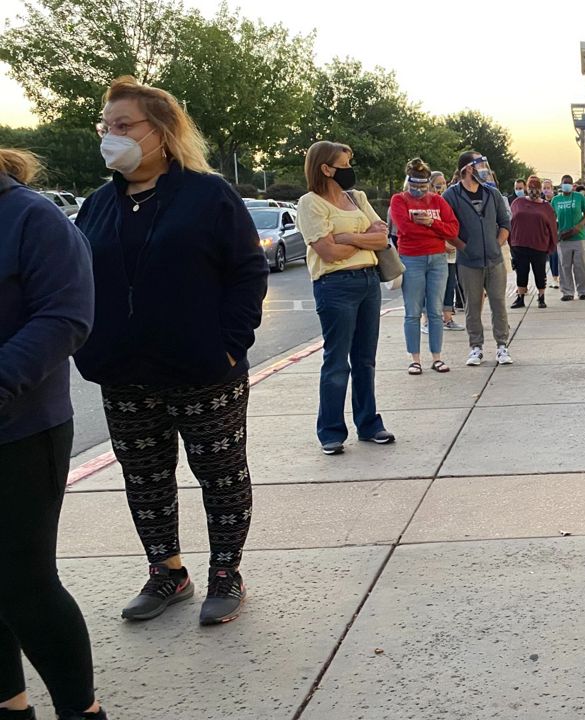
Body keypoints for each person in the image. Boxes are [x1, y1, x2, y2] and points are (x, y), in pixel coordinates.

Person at [74, 76, 268, 626]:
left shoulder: (209, 195)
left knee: (222, 475)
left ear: (161, 132)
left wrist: (229, 346)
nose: (111, 136)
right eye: (106, 127)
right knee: (145, 478)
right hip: (124, 374)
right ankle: (168, 571)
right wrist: (90, 347)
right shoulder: (97, 206)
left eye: (124, 125)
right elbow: (78, 281)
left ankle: (226, 573)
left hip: (204, 372)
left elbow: (247, 273)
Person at [0, 149, 107, 720]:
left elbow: (65, 316)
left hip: (19, 431)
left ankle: (81, 711)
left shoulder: (31, 219)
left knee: (23, 583)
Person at [296, 141, 396, 455]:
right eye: (344, 164)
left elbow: (382, 238)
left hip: (368, 283)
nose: (350, 169)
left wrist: (348, 237)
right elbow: (326, 250)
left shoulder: (358, 197)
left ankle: (369, 424)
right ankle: (331, 431)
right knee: (337, 361)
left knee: (365, 359)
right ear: (326, 168)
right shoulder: (310, 203)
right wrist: (364, 240)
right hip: (334, 286)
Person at [442, 152, 514, 367]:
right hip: (468, 262)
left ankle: (502, 346)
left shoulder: (492, 193)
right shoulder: (451, 195)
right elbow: (447, 228)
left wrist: (497, 243)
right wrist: (464, 247)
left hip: (494, 260)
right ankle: (476, 347)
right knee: (472, 306)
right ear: (468, 169)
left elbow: (505, 222)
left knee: (498, 303)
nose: (484, 168)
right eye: (479, 165)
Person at [390, 158, 460, 374]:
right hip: (411, 258)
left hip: (437, 259)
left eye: (423, 186)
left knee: (436, 311)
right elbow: (405, 229)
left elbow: (453, 229)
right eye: (414, 186)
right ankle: (415, 359)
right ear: (407, 182)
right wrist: (437, 231)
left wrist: (431, 223)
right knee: (412, 311)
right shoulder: (399, 200)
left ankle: (437, 357)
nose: (418, 190)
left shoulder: (438, 201)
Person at [508, 173, 558, 309]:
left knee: (539, 272)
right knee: (521, 272)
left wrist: (552, 244)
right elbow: (510, 222)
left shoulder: (546, 207)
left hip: (539, 245)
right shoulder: (518, 203)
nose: (533, 191)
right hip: (519, 244)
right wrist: (510, 241)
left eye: (536, 188)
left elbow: (552, 226)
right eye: (530, 187)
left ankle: (541, 297)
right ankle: (520, 297)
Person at [432, 171, 464, 331]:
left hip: (451, 253)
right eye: (438, 183)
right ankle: (428, 320)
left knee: (450, 284)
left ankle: (447, 318)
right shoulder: (429, 203)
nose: (442, 186)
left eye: (444, 182)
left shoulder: (448, 202)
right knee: (434, 287)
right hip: (435, 252)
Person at [551, 174, 585, 301]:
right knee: (564, 266)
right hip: (563, 238)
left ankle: (583, 291)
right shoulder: (555, 200)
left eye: (569, 182)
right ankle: (567, 292)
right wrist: (555, 233)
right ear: (561, 184)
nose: (566, 185)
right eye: (564, 182)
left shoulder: (580, 197)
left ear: (572, 185)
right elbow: (551, 218)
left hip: (579, 237)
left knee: (580, 266)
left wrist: (580, 225)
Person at [541, 178, 560, 287]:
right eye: (544, 188)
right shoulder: (541, 202)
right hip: (544, 233)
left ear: (552, 189)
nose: (546, 190)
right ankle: (551, 278)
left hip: (556, 231)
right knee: (546, 257)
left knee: (555, 255)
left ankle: (556, 278)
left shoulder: (556, 200)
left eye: (548, 188)